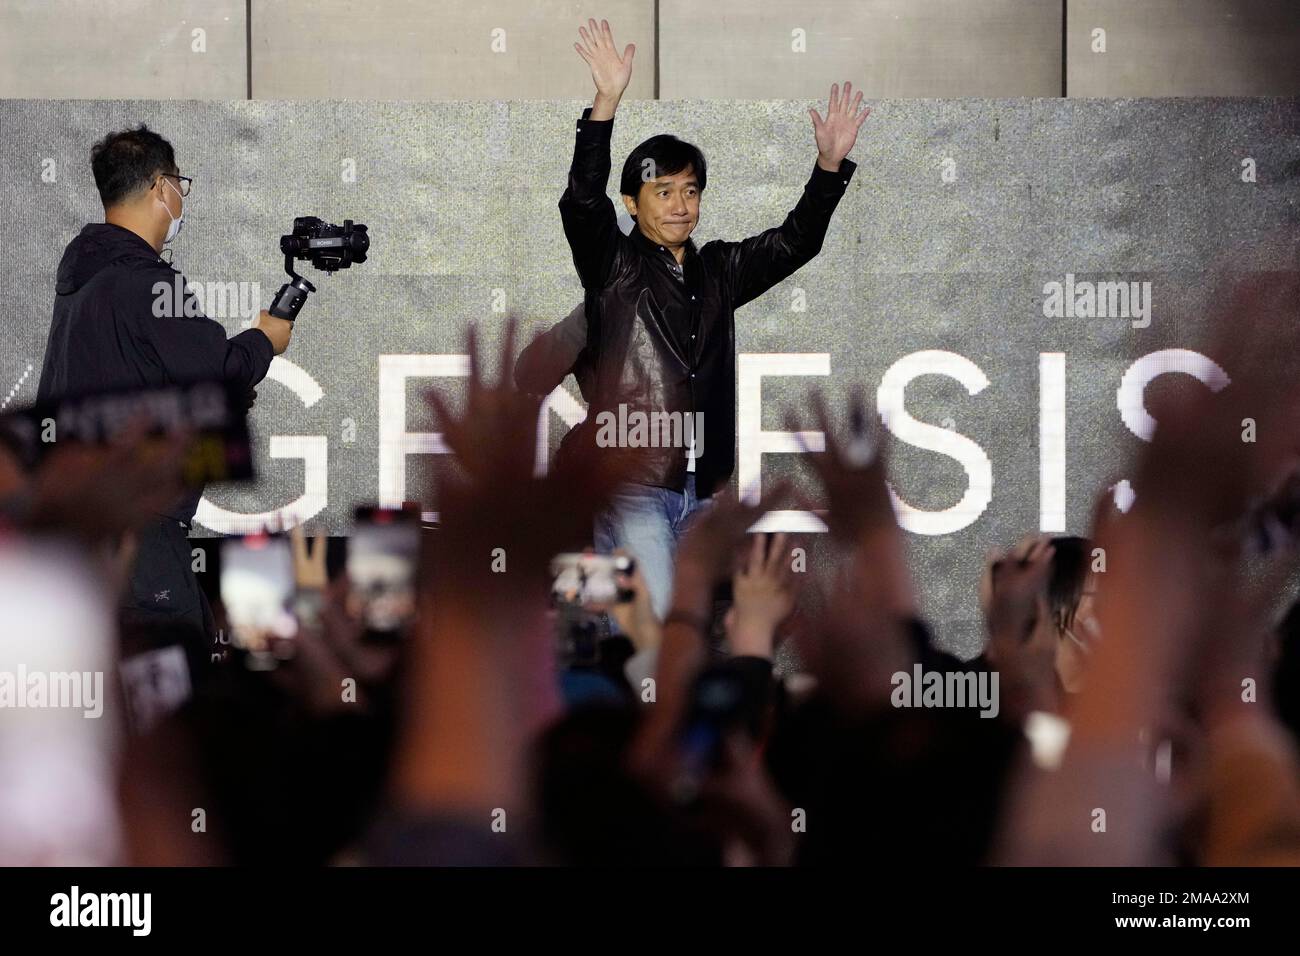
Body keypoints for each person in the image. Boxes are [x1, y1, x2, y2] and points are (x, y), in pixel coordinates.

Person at [523, 18, 868, 620]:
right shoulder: (615, 266)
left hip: (702, 490)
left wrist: (828, 169)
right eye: (664, 192)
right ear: (632, 204)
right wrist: (605, 104)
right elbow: (581, 202)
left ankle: (619, 701)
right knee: (652, 626)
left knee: (672, 637)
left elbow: (795, 242)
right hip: (630, 480)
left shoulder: (720, 271)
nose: (681, 205)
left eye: (691, 191)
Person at [35, 124, 294, 659]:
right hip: (137, 535)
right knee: (171, 695)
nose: (182, 197)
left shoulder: (84, 279)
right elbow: (222, 368)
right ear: (160, 188)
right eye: (181, 184)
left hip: (81, 541)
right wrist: (265, 339)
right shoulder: (146, 282)